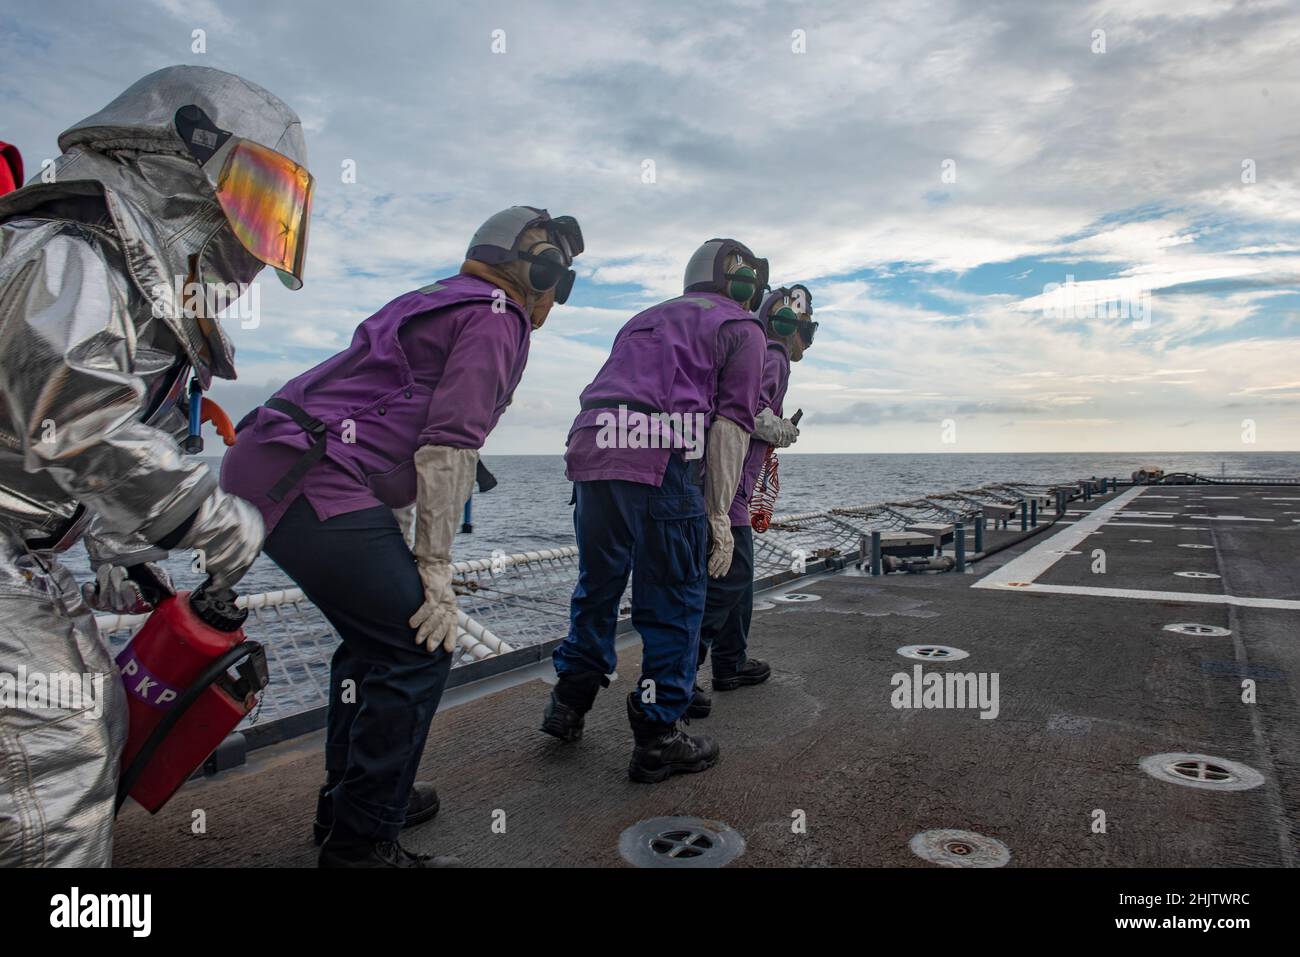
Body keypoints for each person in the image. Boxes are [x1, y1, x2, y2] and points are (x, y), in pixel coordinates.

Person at [0, 65, 314, 867]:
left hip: (23, 550)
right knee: (55, 764)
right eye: (255, 195)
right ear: (176, 157)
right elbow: (71, 418)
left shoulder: (101, 274)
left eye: (278, 213)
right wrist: (208, 515)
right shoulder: (68, 253)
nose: (257, 235)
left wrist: (129, 563)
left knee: (90, 720)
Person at [221, 206, 583, 867]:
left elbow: (386, 427)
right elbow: (448, 446)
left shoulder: (440, 299)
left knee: (374, 639)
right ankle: (361, 843)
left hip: (274, 460)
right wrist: (436, 576)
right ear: (532, 269)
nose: (554, 292)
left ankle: (351, 800)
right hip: (306, 476)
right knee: (417, 645)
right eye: (556, 274)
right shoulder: (497, 317)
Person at [542, 238, 767, 782]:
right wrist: (719, 516)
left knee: (598, 584)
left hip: (593, 449)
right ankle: (658, 736)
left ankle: (568, 703)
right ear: (746, 285)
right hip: (659, 453)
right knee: (672, 598)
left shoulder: (645, 317)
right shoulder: (742, 327)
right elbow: (732, 425)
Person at [690, 285, 814, 717]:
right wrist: (783, 430)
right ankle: (684, 674)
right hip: (728, 488)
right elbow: (747, 411)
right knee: (729, 578)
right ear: (790, 326)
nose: (806, 340)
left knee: (738, 581)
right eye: (807, 329)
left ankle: (730, 663)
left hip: (728, 483)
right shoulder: (774, 355)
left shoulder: (759, 351)